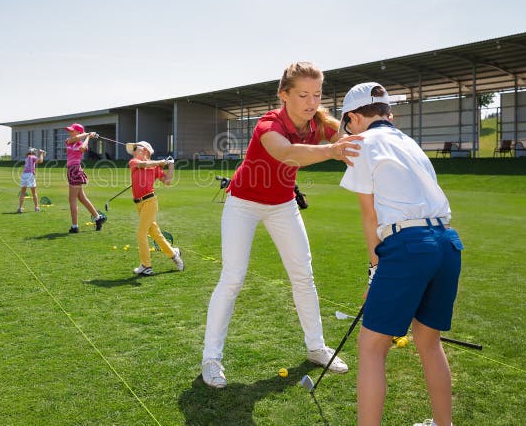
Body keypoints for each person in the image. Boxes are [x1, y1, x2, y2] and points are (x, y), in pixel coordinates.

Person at [201, 62, 363, 389]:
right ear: (284, 95)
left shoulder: (318, 122)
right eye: (302, 94)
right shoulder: (268, 124)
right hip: (243, 204)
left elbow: (352, 136)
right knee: (233, 277)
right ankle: (211, 358)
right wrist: (331, 150)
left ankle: (316, 347)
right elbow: (287, 154)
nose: (310, 101)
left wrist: (376, 129)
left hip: (283, 205)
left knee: (303, 274)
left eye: (316, 94)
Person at [337, 82, 463, 426]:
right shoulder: (410, 143)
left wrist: (374, 270)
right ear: (388, 115)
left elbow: (370, 215)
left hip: (408, 246)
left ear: (353, 119)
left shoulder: (361, 143)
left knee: (371, 345)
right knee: (428, 340)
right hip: (447, 243)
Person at [126, 140, 183, 276]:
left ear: (145, 150)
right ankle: (173, 253)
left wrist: (171, 166)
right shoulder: (133, 162)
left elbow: (167, 181)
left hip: (150, 202)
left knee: (141, 233)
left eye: (136, 147)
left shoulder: (155, 167)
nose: (133, 150)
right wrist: (161, 162)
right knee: (155, 233)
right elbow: (143, 164)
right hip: (139, 204)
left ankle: (146, 266)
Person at [64, 123, 106, 233]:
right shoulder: (69, 140)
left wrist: (87, 137)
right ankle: (98, 218)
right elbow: (75, 138)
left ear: (78, 132)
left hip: (75, 170)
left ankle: (74, 226)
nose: (70, 132)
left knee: (72, 199)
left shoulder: (82, 143)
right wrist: (88, 134)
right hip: (70, 171)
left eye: (72, 130)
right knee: (82, 198)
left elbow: (83, 148)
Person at [18, 147, 45, 213]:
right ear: (33, 153)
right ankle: (36, 207)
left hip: (24, 175)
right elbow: (40, 161)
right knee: (34, 192)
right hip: (30, 175)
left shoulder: (27, 158)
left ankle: (20, 208)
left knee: (22, 192)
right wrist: (41, 154)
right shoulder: (32, 157)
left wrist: (41, 154)